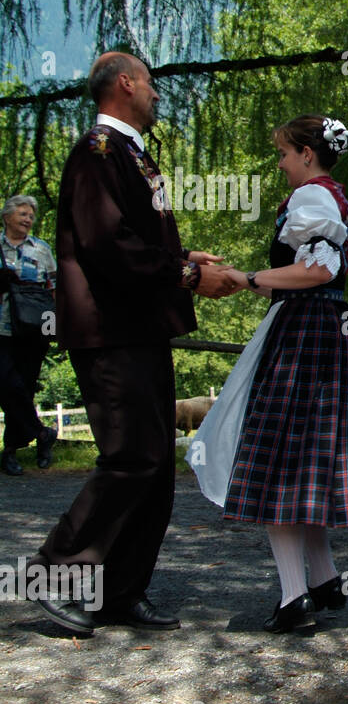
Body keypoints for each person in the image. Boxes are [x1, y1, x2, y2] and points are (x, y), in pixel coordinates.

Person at [30, 51, 236, 636]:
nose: (155, 94)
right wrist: (189, 277)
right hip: (110, 328)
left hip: (141, 326)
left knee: (154, 463)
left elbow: (132, 237)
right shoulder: (97, 151)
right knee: (130, 458)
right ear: (125, 83)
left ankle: (119, 590)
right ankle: (57, 577)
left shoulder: (130, 152)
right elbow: (106, 245)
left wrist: (182, 259)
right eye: (149, 83)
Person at [188, 115, 348, 634]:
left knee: (282, 465)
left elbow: (319, 271)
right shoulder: (328, 194)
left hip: (305, 333)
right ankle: (324, 578)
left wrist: (247, 277)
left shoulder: (313, 198)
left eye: (284, 153)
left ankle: (293, 597)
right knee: (303, 463)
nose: (281, 163)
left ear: (307, 153)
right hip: (320, 331)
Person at [0, 194, 58, 476]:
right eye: (22, 214)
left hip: (34, 330)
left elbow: (53, 291)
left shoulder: (41, 250)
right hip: (1, 328)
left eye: (31, 216)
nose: (27, 219)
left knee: (22, 386)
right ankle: (42, 432)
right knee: (7, 383)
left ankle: (10, 452)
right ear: (7, 216)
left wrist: (51, 329)